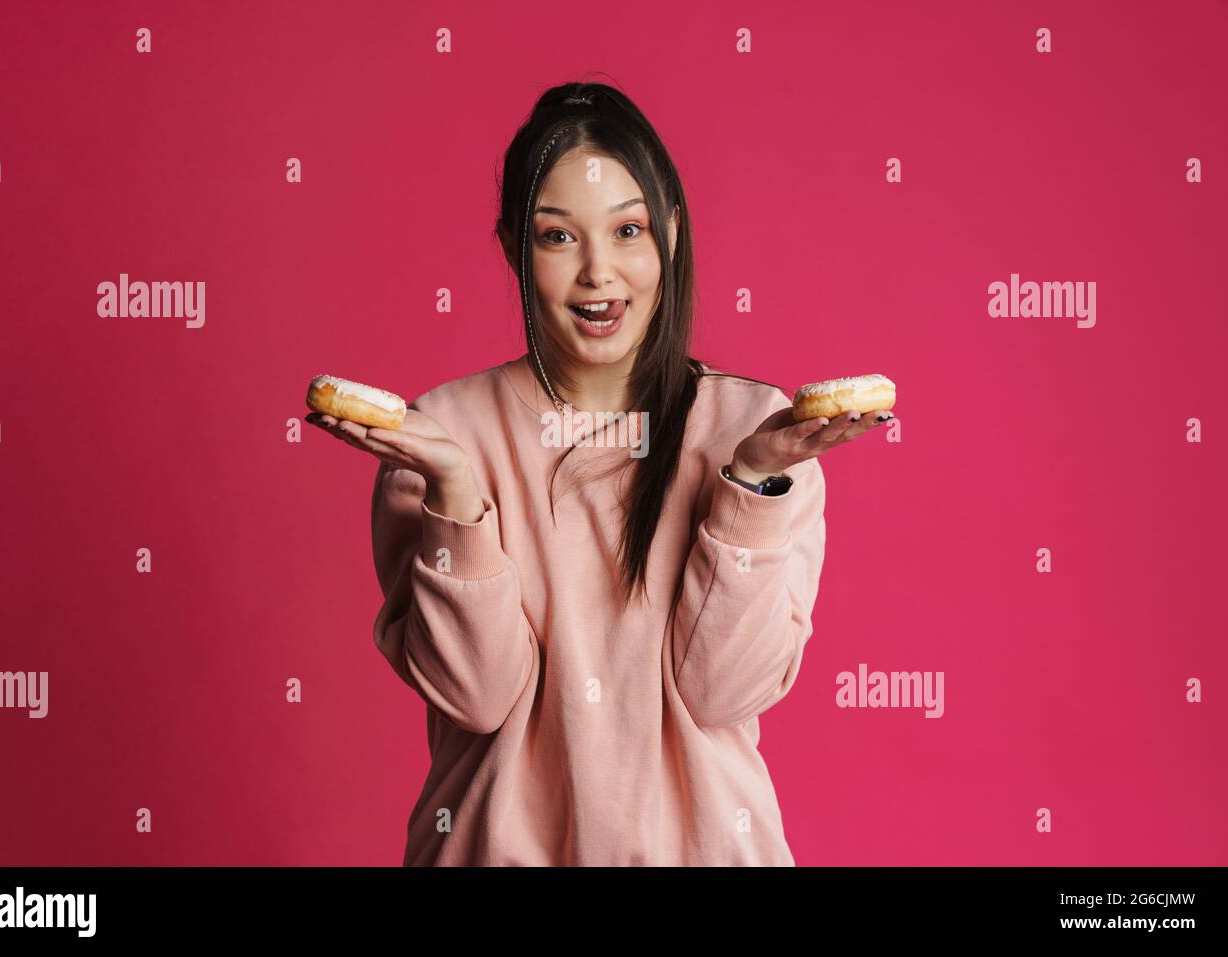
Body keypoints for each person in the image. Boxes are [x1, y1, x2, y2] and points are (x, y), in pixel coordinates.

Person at [305, 81, 892, 865]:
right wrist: (454, 492)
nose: (598, 273)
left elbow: (724, 692)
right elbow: (477, 697)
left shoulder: (759, 432)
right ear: (513, 245)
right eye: (558, 237)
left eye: (628, 229)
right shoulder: (438, 437)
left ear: (671, 236)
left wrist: (749, 484)